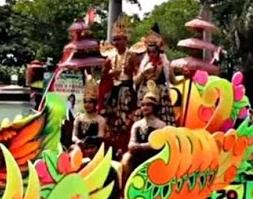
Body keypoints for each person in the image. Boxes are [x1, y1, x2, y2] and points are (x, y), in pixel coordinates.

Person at [101, 16, 140, 150]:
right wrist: (110, 74)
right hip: (113, 92)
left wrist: (132, 73)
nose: (116, 42)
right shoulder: (110, 56)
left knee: (125, 120)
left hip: (127, 91)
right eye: (114, 40)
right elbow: (104, 75)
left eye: (119, 39)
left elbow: (138, 74)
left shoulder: (132, 55)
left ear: (125, 40)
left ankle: (124, 146)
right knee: (110, 120)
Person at [134, 27, 177, 127]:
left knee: (163, 119)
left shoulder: (165, 64)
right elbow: (135, 82)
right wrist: (143, 73)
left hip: (161, 94)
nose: (152, 54)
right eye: (149, 52)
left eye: (154, 52)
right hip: (145, 93)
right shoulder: (144, 65)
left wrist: (186, 78)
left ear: (158, 51)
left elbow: (173, 81)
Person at [73, 79, 108, 158]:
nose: (87, 105)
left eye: (90, 102)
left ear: (95, 103)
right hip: (80, 146)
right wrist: (78, 141)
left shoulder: (100, 120)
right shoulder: (78, 118)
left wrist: (89, 144)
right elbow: (74, 136)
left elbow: (100, 137)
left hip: (94, 148)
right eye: (85, 102)